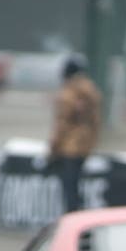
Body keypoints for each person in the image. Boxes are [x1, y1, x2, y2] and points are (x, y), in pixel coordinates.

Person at [49, 54, 102, 213]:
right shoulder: (91, 93)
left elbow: (62, 125)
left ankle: (72, 220)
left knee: (70, 191)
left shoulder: (68, 94)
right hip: (85, 147)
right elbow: (96, 122)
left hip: (69, 148)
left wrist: (53, 148)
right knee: (77, 189)